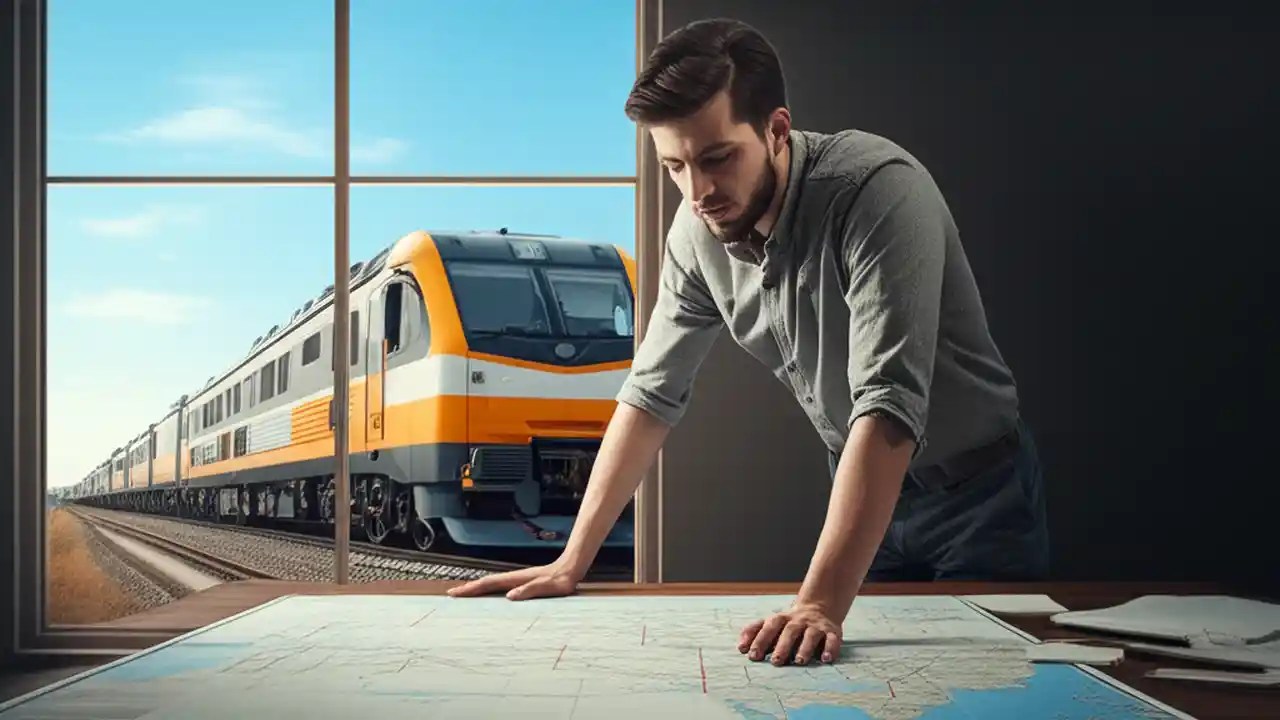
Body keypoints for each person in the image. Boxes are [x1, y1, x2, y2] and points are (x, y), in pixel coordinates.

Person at [448, 18, 1049, 668]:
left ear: (777, 130)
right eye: (674, 166)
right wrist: (572, 561)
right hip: (868, 498)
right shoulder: (696, 232)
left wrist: (818, 601)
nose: (697, 192)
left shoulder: (878, 192)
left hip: (982, 502)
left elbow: (889, 408)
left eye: (716, 158)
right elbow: (649, 397)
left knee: (988, 690)